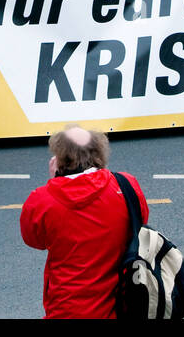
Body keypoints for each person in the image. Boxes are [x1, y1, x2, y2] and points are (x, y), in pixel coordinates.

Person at [19, 126, 149, 319]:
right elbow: (140, 221)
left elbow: (33, 239)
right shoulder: (126, 184)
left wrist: (54, 181)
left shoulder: (42, 199)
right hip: (123, 303)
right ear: (99, 152)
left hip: (66, 308)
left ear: (60, 158)